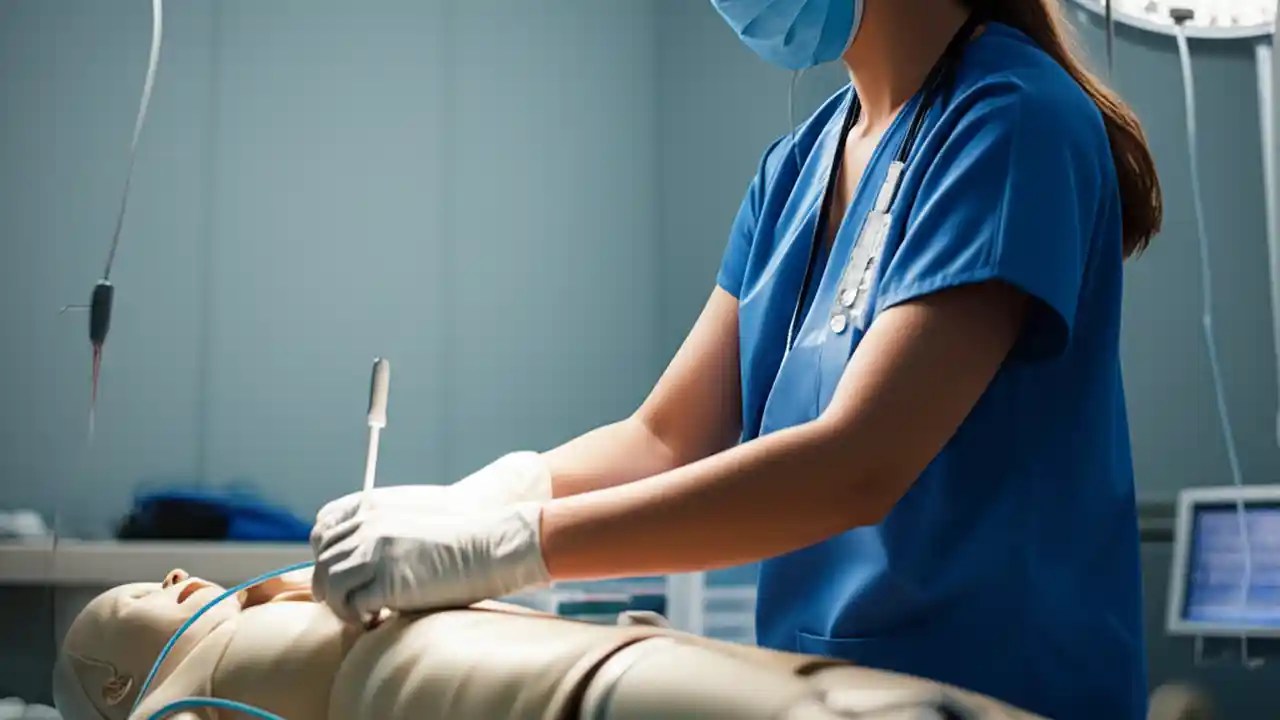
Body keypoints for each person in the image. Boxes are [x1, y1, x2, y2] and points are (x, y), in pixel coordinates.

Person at [310, 1, 1163, 718]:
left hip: (1000, 695)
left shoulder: (1013, 120)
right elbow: (666, 436)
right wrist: (480, 500)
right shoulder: (799, 165)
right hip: (821, 695)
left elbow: (857, 464)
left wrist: (504, 548)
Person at [51, 569, 1042, 720]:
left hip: (535, 640)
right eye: (144, 589)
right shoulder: (166, 697)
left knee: (720, 673)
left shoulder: (264, 592)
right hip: (428, 687)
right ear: (106, 690)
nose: (178, 580)